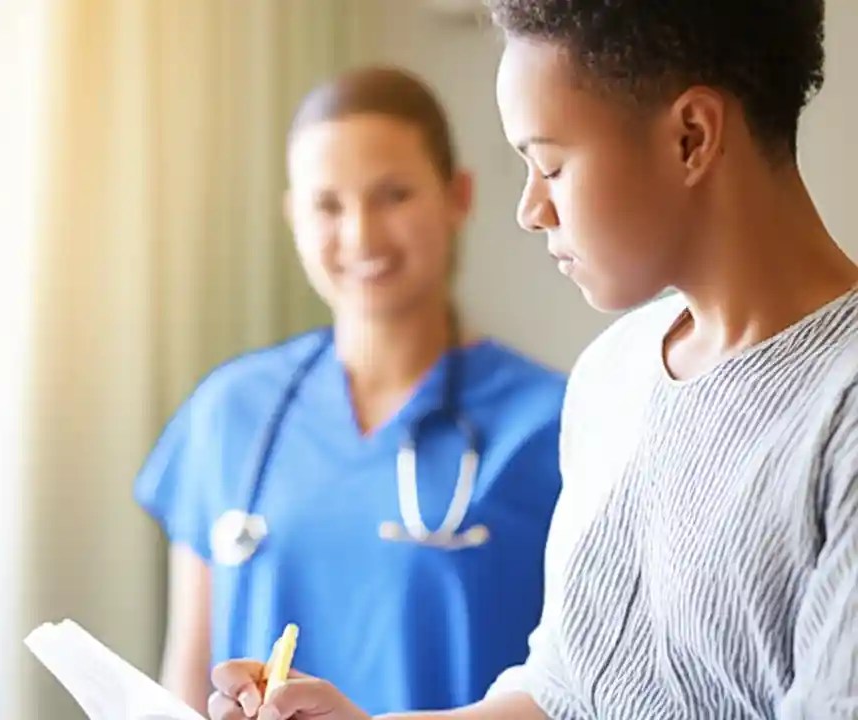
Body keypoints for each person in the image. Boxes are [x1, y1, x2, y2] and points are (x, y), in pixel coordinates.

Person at [206, 1, 858, 719]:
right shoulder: (617, 371)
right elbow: (563, 693)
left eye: (549, 163)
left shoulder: (839, 410)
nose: (530, 208)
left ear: (691, 137)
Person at [132, 67, 567, 716]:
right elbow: (185, 685)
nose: (361, 235)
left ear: (459, 197)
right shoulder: (230, 413)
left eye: (393, 195)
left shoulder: (555, 427)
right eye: (327, 205)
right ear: (293, 217)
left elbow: (582, 692)